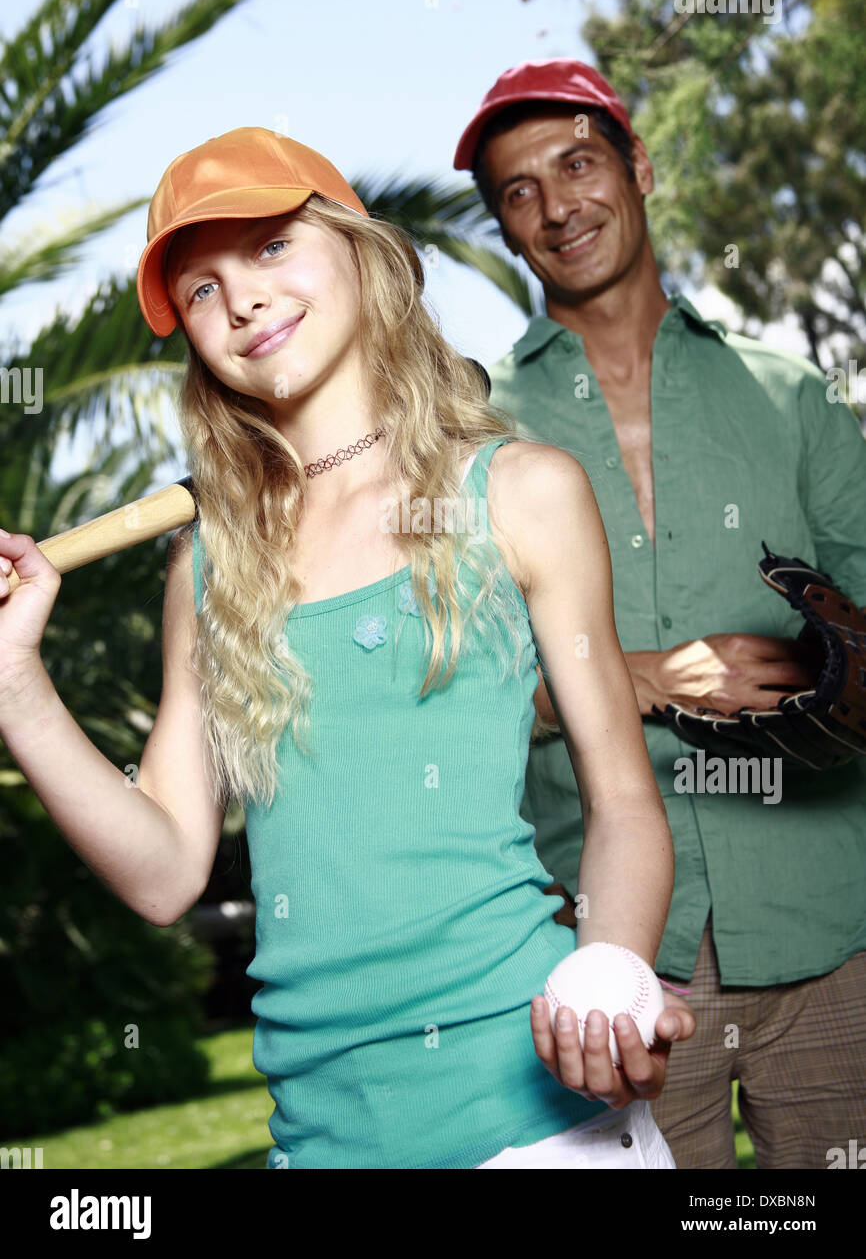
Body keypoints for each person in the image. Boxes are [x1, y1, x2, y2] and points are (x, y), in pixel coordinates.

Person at [0, 125, 695, 1170]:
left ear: (361, 253)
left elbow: (623, 802)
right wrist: (16, 686)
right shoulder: (207, 564)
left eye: (272, 246)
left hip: (531, 1119)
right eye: (199, 289)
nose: (238, 299)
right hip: (318, 1141)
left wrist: (608, 969)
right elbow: (162, 873)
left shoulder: (516, 489)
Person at [453, 58, 866, 1169]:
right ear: (504, 229)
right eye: (518, 193)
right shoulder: (469, 430)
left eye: (577, 164)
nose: (555, 205)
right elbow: (442, 689)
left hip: (825, 922)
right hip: (598, 954)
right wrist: (638, 675)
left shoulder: (788, 395)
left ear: (635, 168)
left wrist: (832, 668)